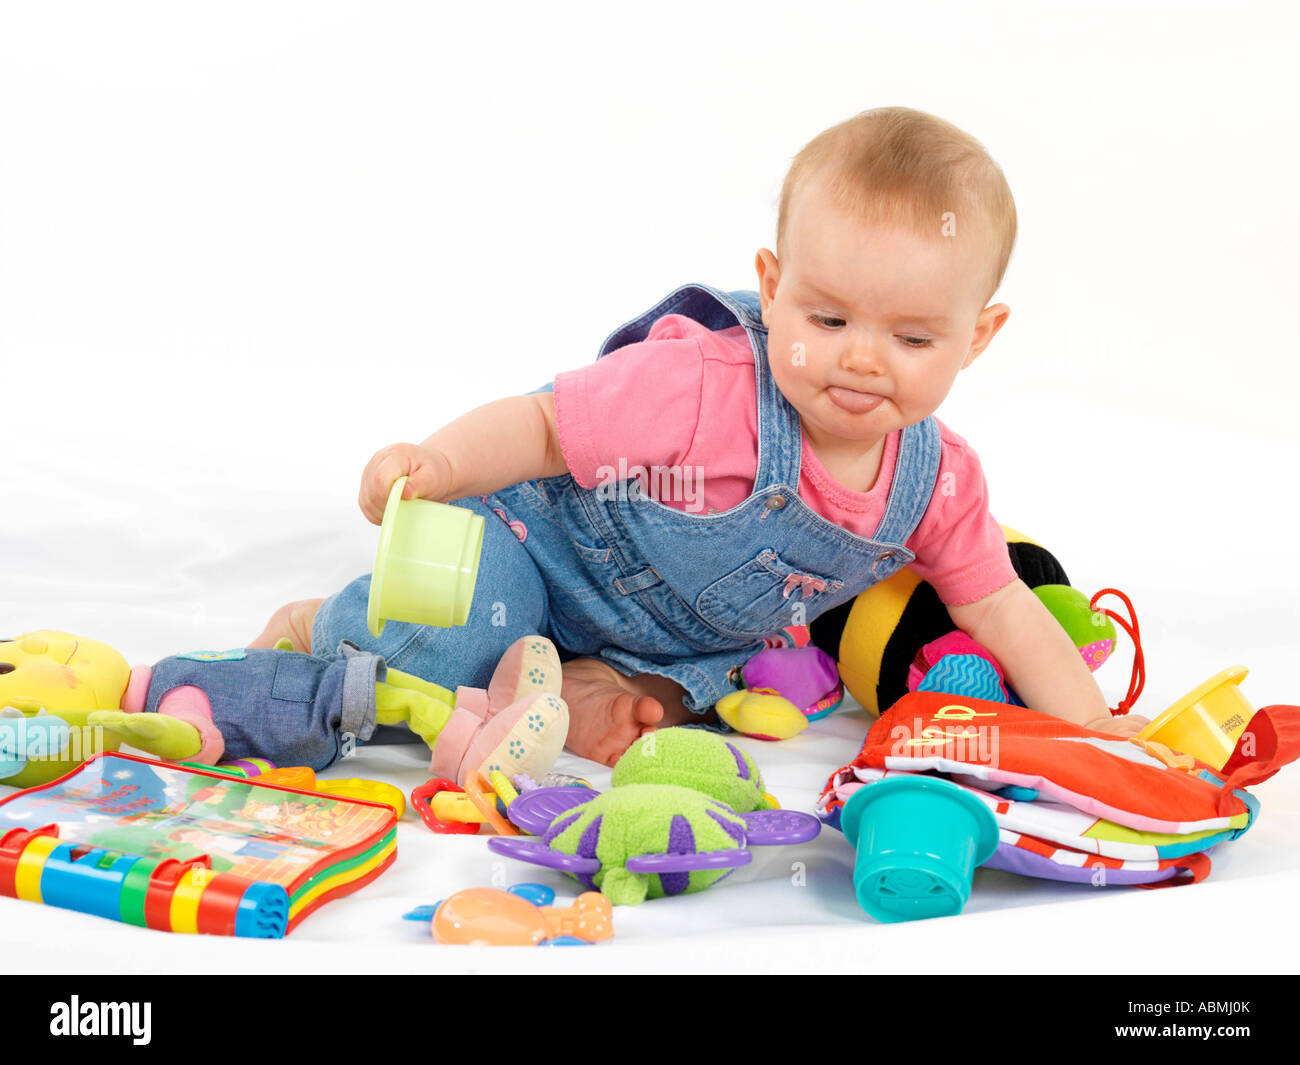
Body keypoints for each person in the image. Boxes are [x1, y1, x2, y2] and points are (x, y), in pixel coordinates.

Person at [252, 106, 1149, 767]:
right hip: (541, 548)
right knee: (441, 645)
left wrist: (1097, 732)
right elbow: (542, 425)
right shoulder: (703, 384)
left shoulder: (938, 481)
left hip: (674, 641)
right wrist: (438, 461)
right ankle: (319, 624)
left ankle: (586, 677)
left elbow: (1002, 608)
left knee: (693, 702)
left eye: (912, 339)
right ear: (774, 282)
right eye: (828, 318)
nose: (863, 361)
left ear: (977, 336)